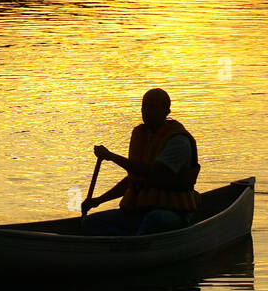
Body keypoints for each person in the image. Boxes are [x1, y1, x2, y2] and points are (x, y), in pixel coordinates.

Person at [80, 88, 201, 235]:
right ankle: (128, 245)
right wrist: (98, 200)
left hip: (174, 213)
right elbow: (135, 179)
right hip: (139, 212)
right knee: (89, 222)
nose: (146, 111)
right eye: (144, 107)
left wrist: (111, 157)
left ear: (166, 111)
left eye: (152, 107)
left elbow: (152, 173)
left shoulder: (178, 141)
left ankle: (133, 245)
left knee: (155, 218)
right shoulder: (143, 136)